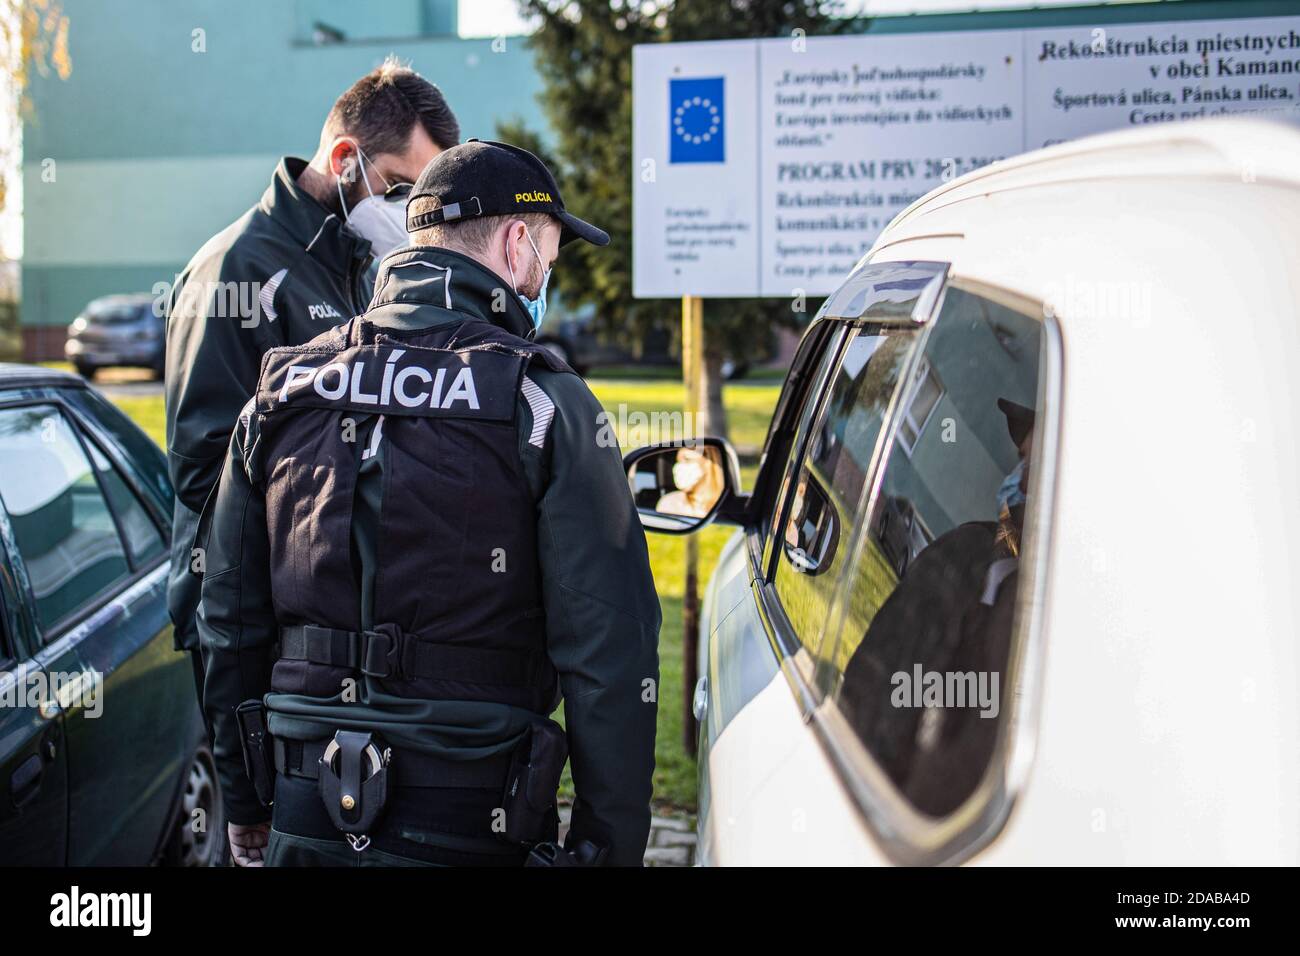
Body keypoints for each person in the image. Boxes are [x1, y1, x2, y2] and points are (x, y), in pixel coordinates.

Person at [197, 140, 661, 867]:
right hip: (473, 822)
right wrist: (607, 848)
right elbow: (610, 654)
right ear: (516, 246)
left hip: (302, 812)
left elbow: (228, 615)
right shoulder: (542, 403)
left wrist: (245, 799)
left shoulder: (282, 390)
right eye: (549, 258)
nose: (547, 280)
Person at [164, 58, 460, 735]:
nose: (412, 217)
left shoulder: (352, 261)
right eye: (403, 188)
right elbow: (206, 472)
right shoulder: (238, 270)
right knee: (259, 829)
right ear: (345, 158)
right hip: (248, 625)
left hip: (319, 610)